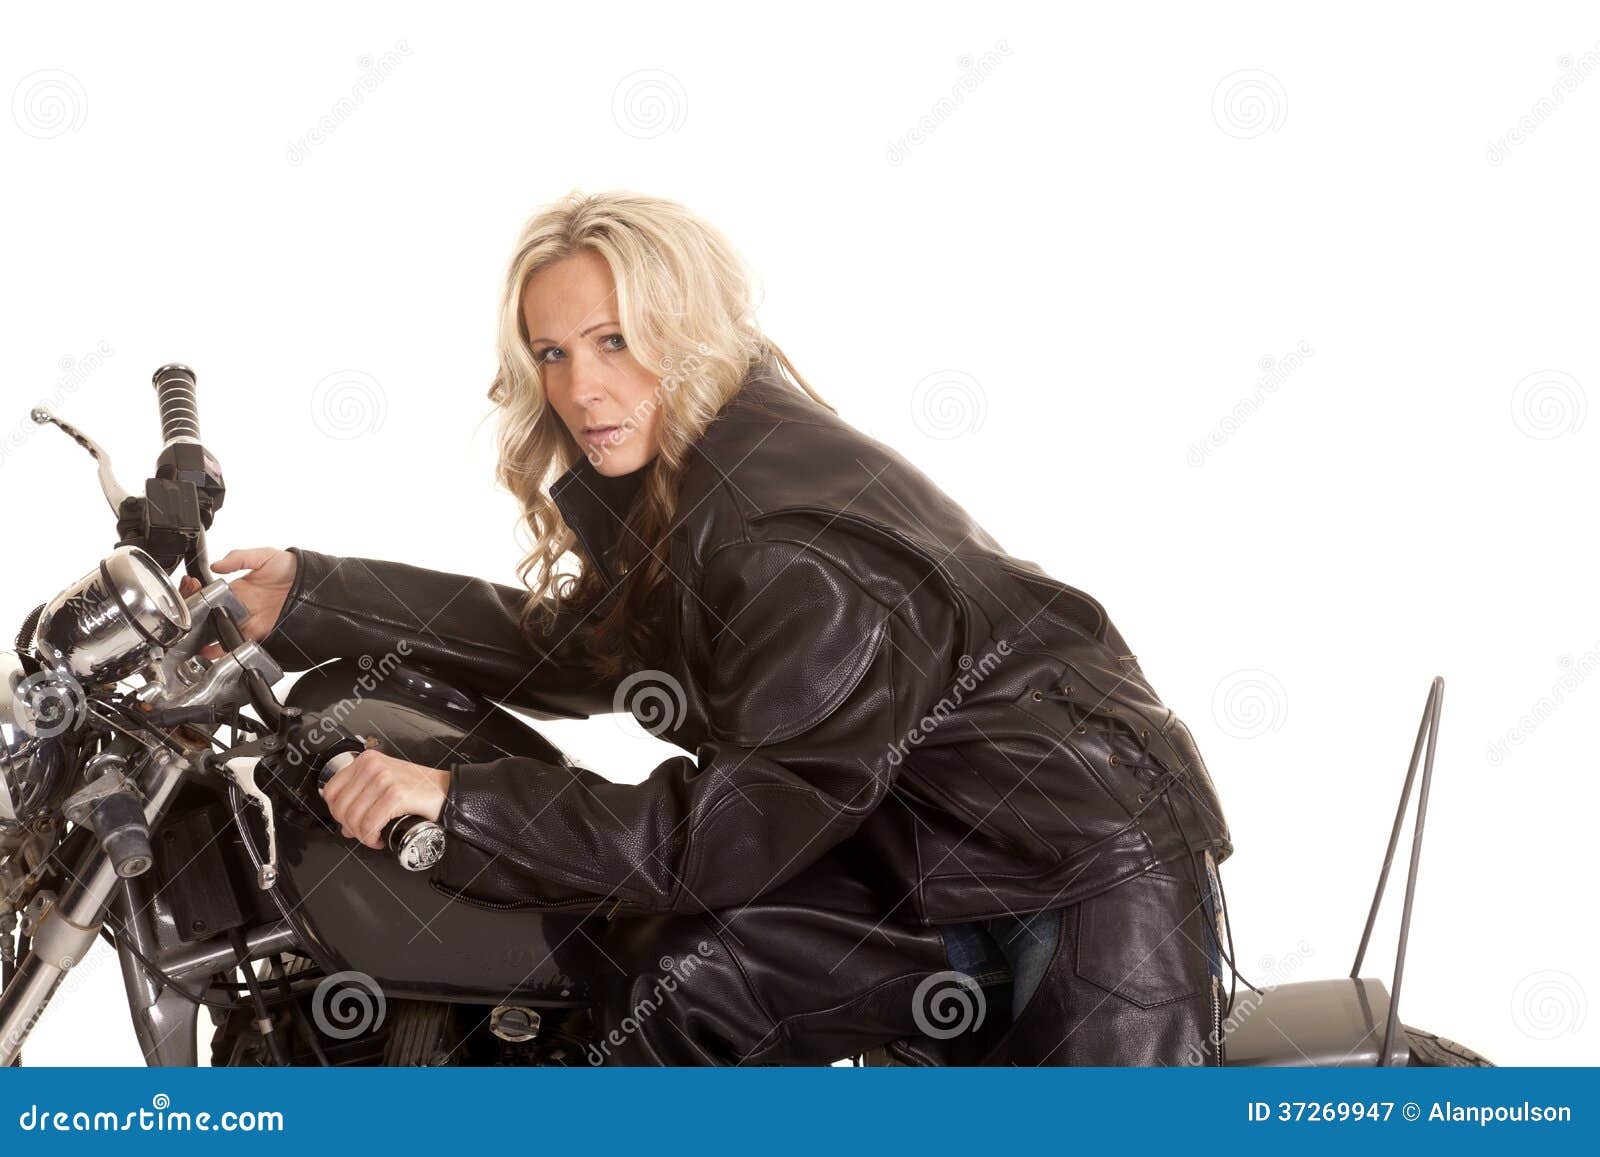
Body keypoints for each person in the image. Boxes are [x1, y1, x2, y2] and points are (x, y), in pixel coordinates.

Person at [185, 190, 1240, 1066]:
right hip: (905, 840)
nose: (580, 388)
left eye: (614, 341)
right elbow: (584, 648)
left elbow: (723, 836)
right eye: (551, 353)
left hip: (1063, 866)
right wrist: (316, 595)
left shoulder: (777, 539)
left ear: (682, 332)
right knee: (668, 969)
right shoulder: (694, 472)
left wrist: (463, 802)